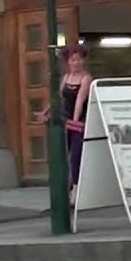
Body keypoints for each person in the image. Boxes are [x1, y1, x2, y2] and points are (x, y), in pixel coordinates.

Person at [34, 44, 92, 204]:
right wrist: (45, 112)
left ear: (83, 61)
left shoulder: (85, 78)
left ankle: (76, 188)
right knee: (62, 155)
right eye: (73, 60)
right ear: (68, 62)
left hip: (79, 121)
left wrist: (75, 120)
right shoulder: (66, 78)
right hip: (65, 119)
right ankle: (64, 188)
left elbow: (80, 99)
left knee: (76, 156)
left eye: (79, 60)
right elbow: (59, 98)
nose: (76, 63)